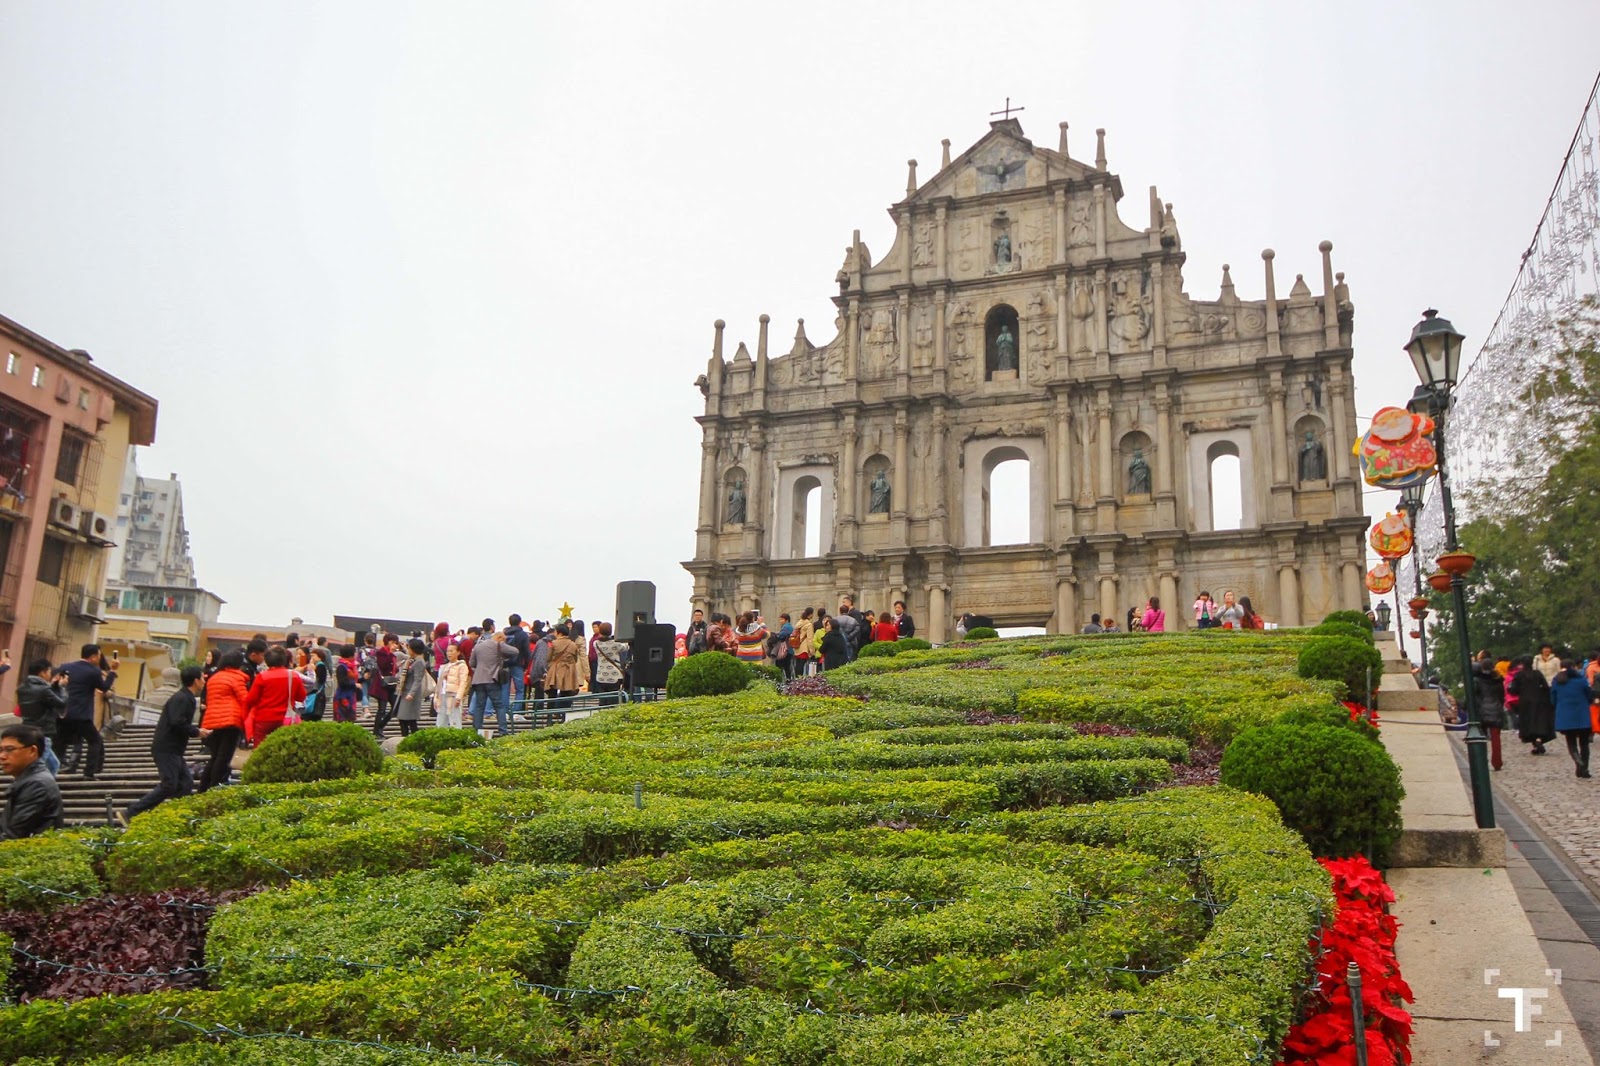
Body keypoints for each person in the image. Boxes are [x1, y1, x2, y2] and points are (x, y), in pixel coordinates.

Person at [125, 665, 205, 820]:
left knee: (186, 783)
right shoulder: (182, 698)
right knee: (169, 784)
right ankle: (132, 812)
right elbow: (176, 721)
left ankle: (176, 817)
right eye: (202, 677)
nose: (204, 680)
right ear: (196, 681)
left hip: (174, 750)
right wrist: (196, 731)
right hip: (166, 748)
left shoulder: (185, 697)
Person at [55, 643, 116, 780]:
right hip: (82, 714)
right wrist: (112, 671)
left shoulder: (65, 667)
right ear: (93, 656)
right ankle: (89, 772)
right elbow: (104, 687)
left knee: (59, 742)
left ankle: (53, 768)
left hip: (64, 712)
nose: (100, 658)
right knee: (95, 741)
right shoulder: (93, 671)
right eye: (99, 655)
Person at [198, 651, 250, 792]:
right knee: (224, 757)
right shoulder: (236, 678)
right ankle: (214, 786)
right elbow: (245, 700)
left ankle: (203, 788)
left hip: (212, 720)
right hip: (230, 720)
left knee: (215, 757)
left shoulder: (214, 677)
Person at [0, 725, 63, 840]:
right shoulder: (29, 779)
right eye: (1, 750)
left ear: (32, 750)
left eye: (9, 749)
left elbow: (14, 835)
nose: (2, 756)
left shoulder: (37, 784)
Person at [245, 646, 306, 747]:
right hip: (286, 719)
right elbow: (301, 697)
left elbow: (251, 699)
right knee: (284, 748)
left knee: (261, 749)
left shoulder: (262, 677)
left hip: (263, 719)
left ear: (267, 661)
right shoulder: (293, 676)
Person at [16, 657, 65, 775]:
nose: (50, 674)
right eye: (49, 671)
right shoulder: (44, 690)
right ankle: (29, 784)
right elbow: (61, 703)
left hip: (28, 728)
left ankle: (46, 785)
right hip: (43, 731)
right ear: (42, 672)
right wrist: (61, 687)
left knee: (53, 764)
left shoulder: (22, 688)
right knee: (36, 767)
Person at [469, 627, 520, 735]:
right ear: (500, 638)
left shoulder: (478, 646)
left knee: (479, 706)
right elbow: (515, 651)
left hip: (478, 680)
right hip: (492, 679)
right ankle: (503, 730)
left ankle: (476, 730)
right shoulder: (499, 645)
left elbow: (472, 663)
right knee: (499, 706)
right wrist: (502, 650)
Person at [1551, 659, 1594, 778]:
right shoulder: (1581, 680)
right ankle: (1584, 768)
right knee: (1584, 744)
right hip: (1582, 715)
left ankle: (1579, 763)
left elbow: (1553, 699)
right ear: (1574, 667)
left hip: (1566, 716)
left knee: (1571, 743)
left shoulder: (1557, 681)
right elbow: (1589, 695)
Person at [1510, 655, 1556, 756]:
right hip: (1538, 700)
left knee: (1528, 723)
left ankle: (1535, 744)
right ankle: (1538, 740)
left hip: (1524, 702)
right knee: (1538, 721)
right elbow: (1545, 686)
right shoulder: (1537, 673)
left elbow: (1513, 690)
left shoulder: (1518, 675)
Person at [1472, 651, 1509, 771]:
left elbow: (1475, 695)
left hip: (1482, 710)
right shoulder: (1498, 680)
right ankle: (1497, 762)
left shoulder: (1477, 680)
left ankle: (1482, 761)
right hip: (1496, 709)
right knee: (1496, 738)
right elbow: (1501, 696)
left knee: (1481, 738)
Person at [393, 638, 432, 738]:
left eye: (409, 648)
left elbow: (417, 680)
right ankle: (406, 738)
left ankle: (412, 739)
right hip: (404, 692)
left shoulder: (419, 662)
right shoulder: (411, 660)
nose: (408, 650)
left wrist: (411, 693)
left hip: (411, 694)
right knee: (403, 719)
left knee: (409, 720)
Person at [543, 624, 584, 710]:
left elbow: (548, 658)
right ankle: (563, 712)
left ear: (560, 633)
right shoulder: (573, 644)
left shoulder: (554, 643)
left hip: (555, 669)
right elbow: (575, 659)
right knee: (566, 692)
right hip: (569, 670)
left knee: (552, 693)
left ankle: (550, 713)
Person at [369, 634, 401, 738]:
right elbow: (383, 665)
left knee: (395, 706)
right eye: (393, 642)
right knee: (382, 708)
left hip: (390, 684)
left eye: (396, 643)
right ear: (388, 641)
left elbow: (393, 669)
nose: (395, 645)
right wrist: (390, 654)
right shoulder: (381, 652)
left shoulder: (392, 655)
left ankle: (380, 725)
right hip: (382, 684)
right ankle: (377, 730)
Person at [437, 641, 470, 729]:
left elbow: (463, 682)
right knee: (441, 721)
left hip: (453, 695)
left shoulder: (462, 666)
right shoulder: (444, 666)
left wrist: (459, 697)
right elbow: (439, 683)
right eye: (448, 651)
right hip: (443, 695)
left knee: (455, 721)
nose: (449, 653)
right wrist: (436, 697)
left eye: (451, 651)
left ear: (458, 652)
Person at [505, 614, 532, 710]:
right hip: (518, 664)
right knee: (519, 690)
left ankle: (504, 711)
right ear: (520, 622)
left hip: (504, 665)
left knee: (505, 689)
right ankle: (516, 711)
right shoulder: (523, 634)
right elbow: (526, 651)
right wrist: (526, 665)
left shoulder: (504, 634)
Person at [594, 623, 628, 694]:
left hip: (601, 675)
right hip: (614, 675)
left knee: (603, 697)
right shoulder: (615, 644)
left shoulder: (596, 643)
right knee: (613, 697)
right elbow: (626, 647)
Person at [332, 644, 362, 724]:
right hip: (342, 697)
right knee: (342, 720)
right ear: (351, 654)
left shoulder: (352, 666)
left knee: (350, 721)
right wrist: (355, 685)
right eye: (355, 652)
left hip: (351, 696)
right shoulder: (342, 666)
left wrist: (363, 678)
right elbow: (342, 682)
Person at [791, 608, 815, 676]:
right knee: (801, 666)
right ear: (810, 614)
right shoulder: (809, 625)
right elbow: (810, 639)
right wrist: (812, 651)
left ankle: (796, 680)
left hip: (797, 646)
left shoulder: (799, 622)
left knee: (797, 665)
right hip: (804, 647)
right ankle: (800, 680)